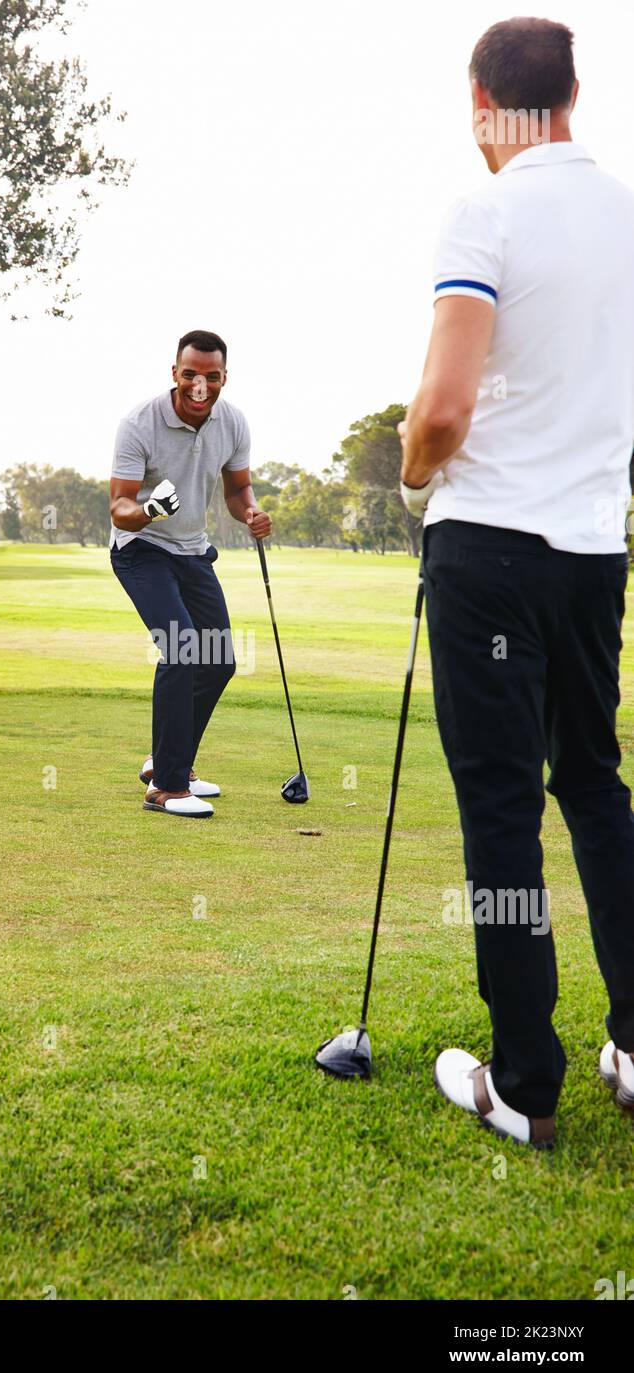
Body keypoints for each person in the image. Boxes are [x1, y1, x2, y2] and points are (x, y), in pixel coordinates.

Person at [399, 17, 634, 1147]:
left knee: (501, 809)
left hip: (487, 550)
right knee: (592, 783)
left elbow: (441, 410)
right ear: (575, 91)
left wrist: (410, 480)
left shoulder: (482, 208)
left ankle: (523, 1085)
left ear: (482, 101)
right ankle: (631, 1046)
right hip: (593, 553)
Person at [109, 329, 271, 818]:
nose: (200, 386)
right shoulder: (139, 422)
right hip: (141, 548)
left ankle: (167, 761)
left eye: (211, 376)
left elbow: (239, 490)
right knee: (181, 647)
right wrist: (149, 511)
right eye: (190, 375)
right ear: (174, 373)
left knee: (218, 661)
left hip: (193, 552)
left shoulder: (233, 422)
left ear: (224, 377)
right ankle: (167, 788)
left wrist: (251, 513)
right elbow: (120, 508)